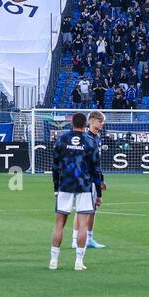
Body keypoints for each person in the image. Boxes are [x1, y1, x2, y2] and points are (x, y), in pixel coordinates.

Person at [49, 111, 100, 271]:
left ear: (72, 124)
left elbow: (55, 167)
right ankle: (78, 262)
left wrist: (56, 188)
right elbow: (96, 170)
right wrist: (98, 193)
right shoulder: (91, 142)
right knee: (83, 224)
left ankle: (53, 261)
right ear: (85, 124)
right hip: (84, 186)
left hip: (65, 185)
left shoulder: (62, 139)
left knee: (59, 224)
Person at [84, 110, 108, 248]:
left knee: (91, 209)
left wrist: (101, 179)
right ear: (92, 121)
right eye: (100, 121)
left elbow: (97, 162)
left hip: (94, 177)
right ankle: (79, 239)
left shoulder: (97, 137)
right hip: (88, 178)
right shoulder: (87, 138)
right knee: (85, 209)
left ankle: (88, 238)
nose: (102, 124)